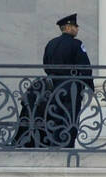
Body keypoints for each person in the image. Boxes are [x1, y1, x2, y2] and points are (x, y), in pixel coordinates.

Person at [40, 13, 91, 148]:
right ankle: (67, 147)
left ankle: (54, 145)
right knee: (70, 119)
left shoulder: (51, 43)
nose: (77, 29)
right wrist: (90, 86)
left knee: (55, 117)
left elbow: (45, 65)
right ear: (68, 27)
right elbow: (86, 67)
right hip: (71, 87)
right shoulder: (76, 44)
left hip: (54, 87)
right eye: (75, 26)